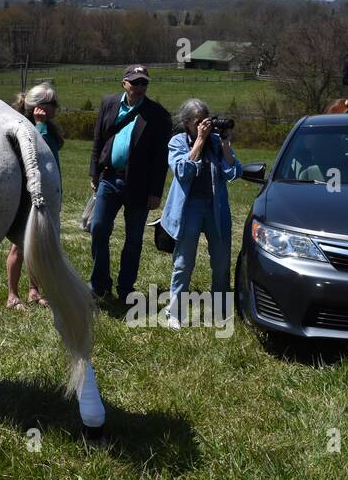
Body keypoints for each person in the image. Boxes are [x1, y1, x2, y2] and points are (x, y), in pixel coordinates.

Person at [88, 65, 172, 305]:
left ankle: (126, 289)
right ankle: (100, 285)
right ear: (124, 83)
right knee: (98, 229)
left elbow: (160, 158)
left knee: (133, 239)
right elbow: (98, 139)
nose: (139, 87)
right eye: (134, 82)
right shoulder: (109, 103)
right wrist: (95, 173)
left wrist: (156, 192)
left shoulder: (158, 114)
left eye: (143, 83)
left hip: (140, 186)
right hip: (109, 178)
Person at [160, 99, 241, 327]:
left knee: (222, 261)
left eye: (206, 121)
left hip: (216, 206)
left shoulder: (216, 142)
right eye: (198, 122)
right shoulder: (177, 142)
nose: (204, 125)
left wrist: (225, 146)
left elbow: (234, 172)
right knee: (184, 262)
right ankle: (175, 312)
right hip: (189, 208)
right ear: (186, 123)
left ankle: (220, 309)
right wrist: (199, 141)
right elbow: (183, 171)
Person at [5, 83, 63, 311]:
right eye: (50, 104)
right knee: (19, 246)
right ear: (38, 108)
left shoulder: (48, 127)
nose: (54, 108)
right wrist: (39, 125)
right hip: (29, 193)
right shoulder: (27, 128)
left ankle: (33, 290)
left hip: (50, 193)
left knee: (39, 245)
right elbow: (34, 150)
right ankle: (12, 295)